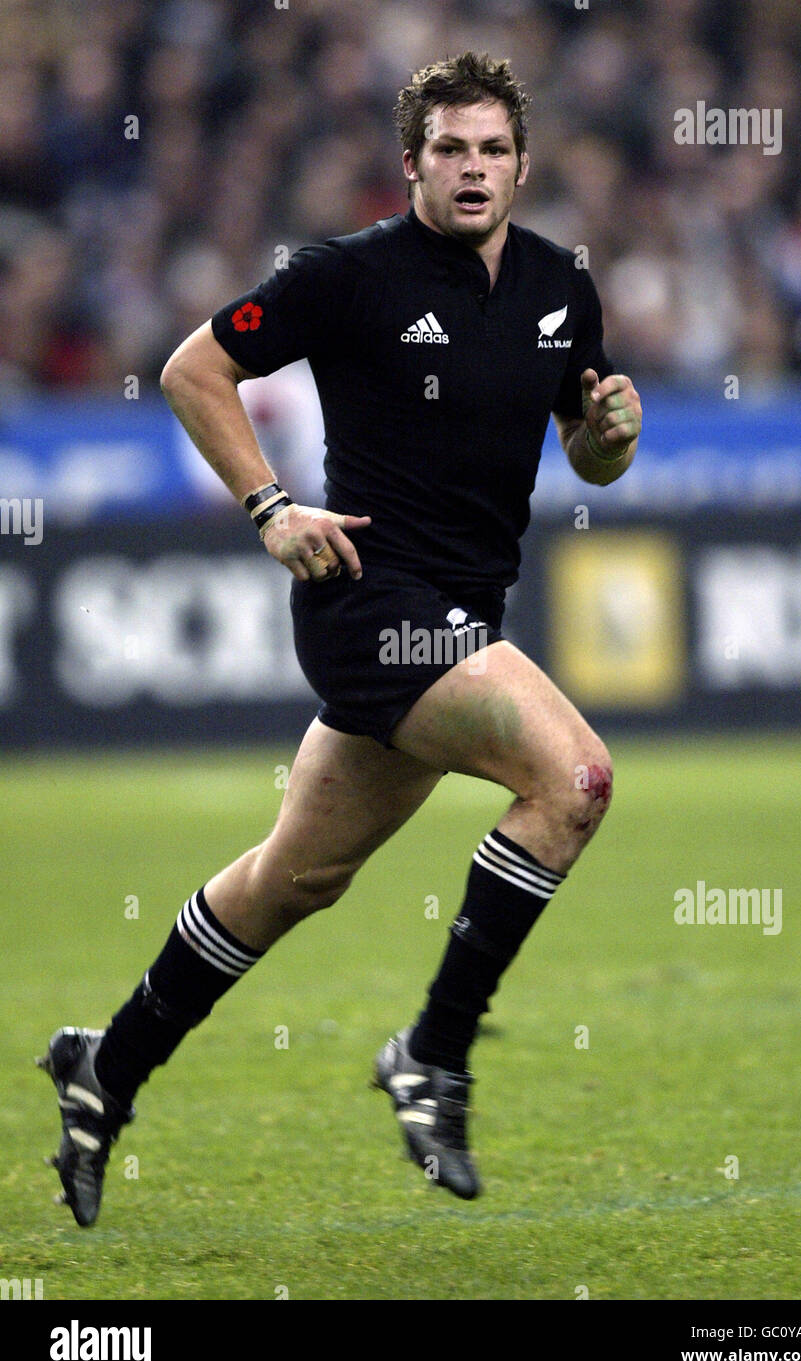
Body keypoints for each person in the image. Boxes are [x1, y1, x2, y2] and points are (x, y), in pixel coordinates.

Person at [38, 51, 642, 1222]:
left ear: (522, 163)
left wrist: (610, 433)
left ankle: (104, 1067)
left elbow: (588, 448)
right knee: (572, 778)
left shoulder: (561, 284)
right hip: (368, 603)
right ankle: (432, 1052)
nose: (472, 170)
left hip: (466, 614)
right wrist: (270, 504)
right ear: (409, 162)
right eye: (450, 150)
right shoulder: (347, 275)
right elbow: (191, 369)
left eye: (492, 150)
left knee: (292, 878)